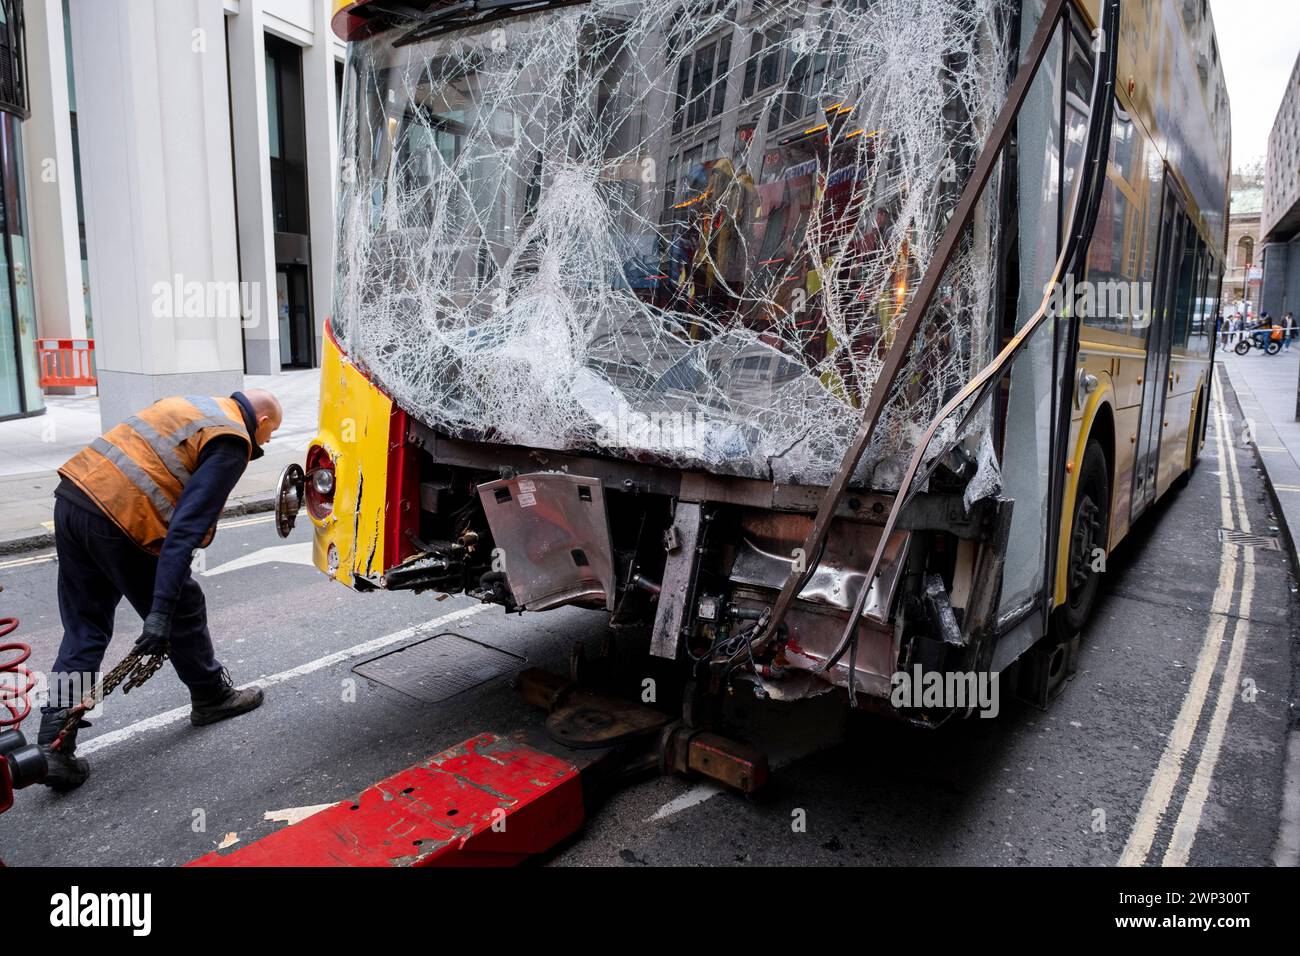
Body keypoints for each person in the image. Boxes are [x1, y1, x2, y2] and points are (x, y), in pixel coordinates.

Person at [37, 390, 284, 790]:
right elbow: (183, 532)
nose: (267, 443)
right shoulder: (232, 439)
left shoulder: (194, 406)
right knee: (184, 605)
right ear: (265, 422)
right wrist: (160, 611)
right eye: (270, 435)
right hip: (119, 519)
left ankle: (52, 744)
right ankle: (210, 696)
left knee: (85, 627)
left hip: (73, 499)